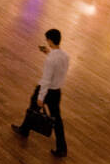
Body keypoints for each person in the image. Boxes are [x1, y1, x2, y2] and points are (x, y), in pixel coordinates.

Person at [12, 28, 70, 157]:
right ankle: (62, 147)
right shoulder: (65, 56)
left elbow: (46, 79)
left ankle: (24, 130)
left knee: (33, 108)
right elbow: (58, 67)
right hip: (57, 92)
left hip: (46, 91)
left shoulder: (50, 60)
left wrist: (41, 96)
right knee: (57, 119)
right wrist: (48, 53)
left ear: (49, 40)